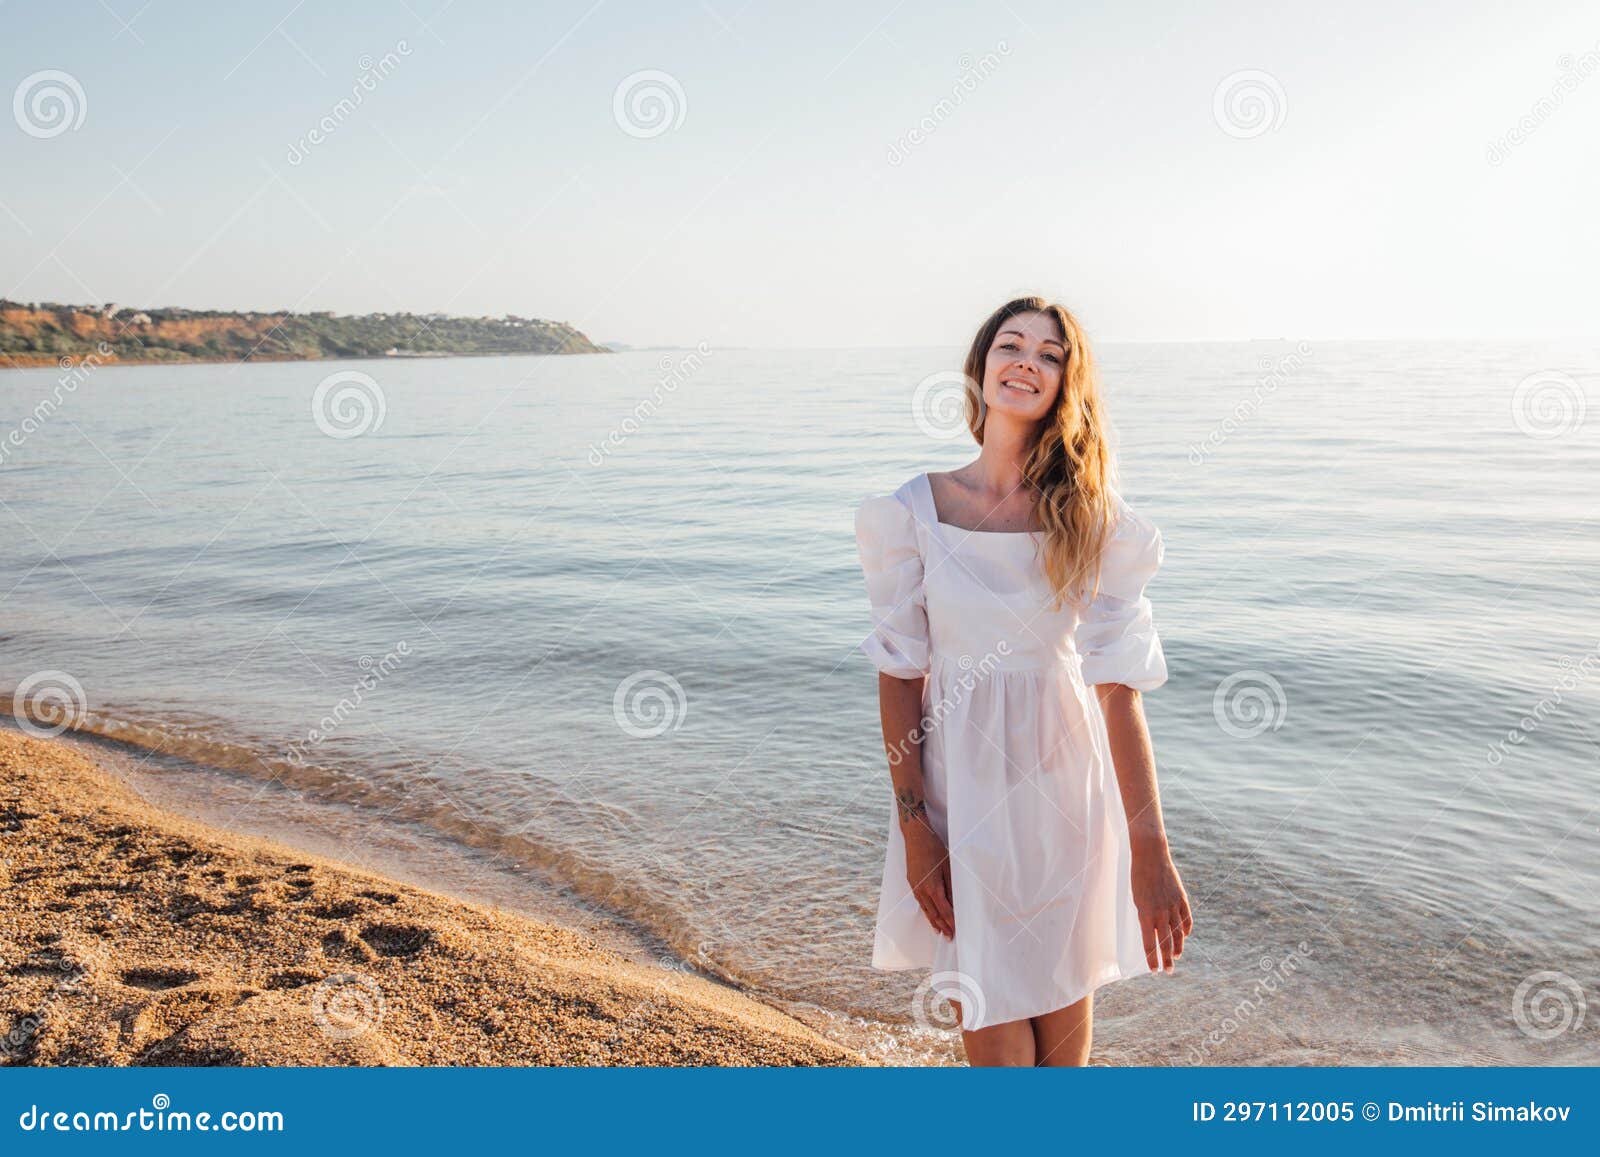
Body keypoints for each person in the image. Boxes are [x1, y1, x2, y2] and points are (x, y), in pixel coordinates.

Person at [853, 295, 1193, 1066]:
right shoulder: (914, 511)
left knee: (1062, 1046)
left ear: (1065, 385)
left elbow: (1118, 689)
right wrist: (914, 826)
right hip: (961, 795)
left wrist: (1150, 848)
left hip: (1069, 798)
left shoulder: (1094, 521)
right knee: (996, 1034)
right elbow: (900, 674)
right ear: (980, 370)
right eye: (1012, 344)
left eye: (1050, 354)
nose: (1027, 362)